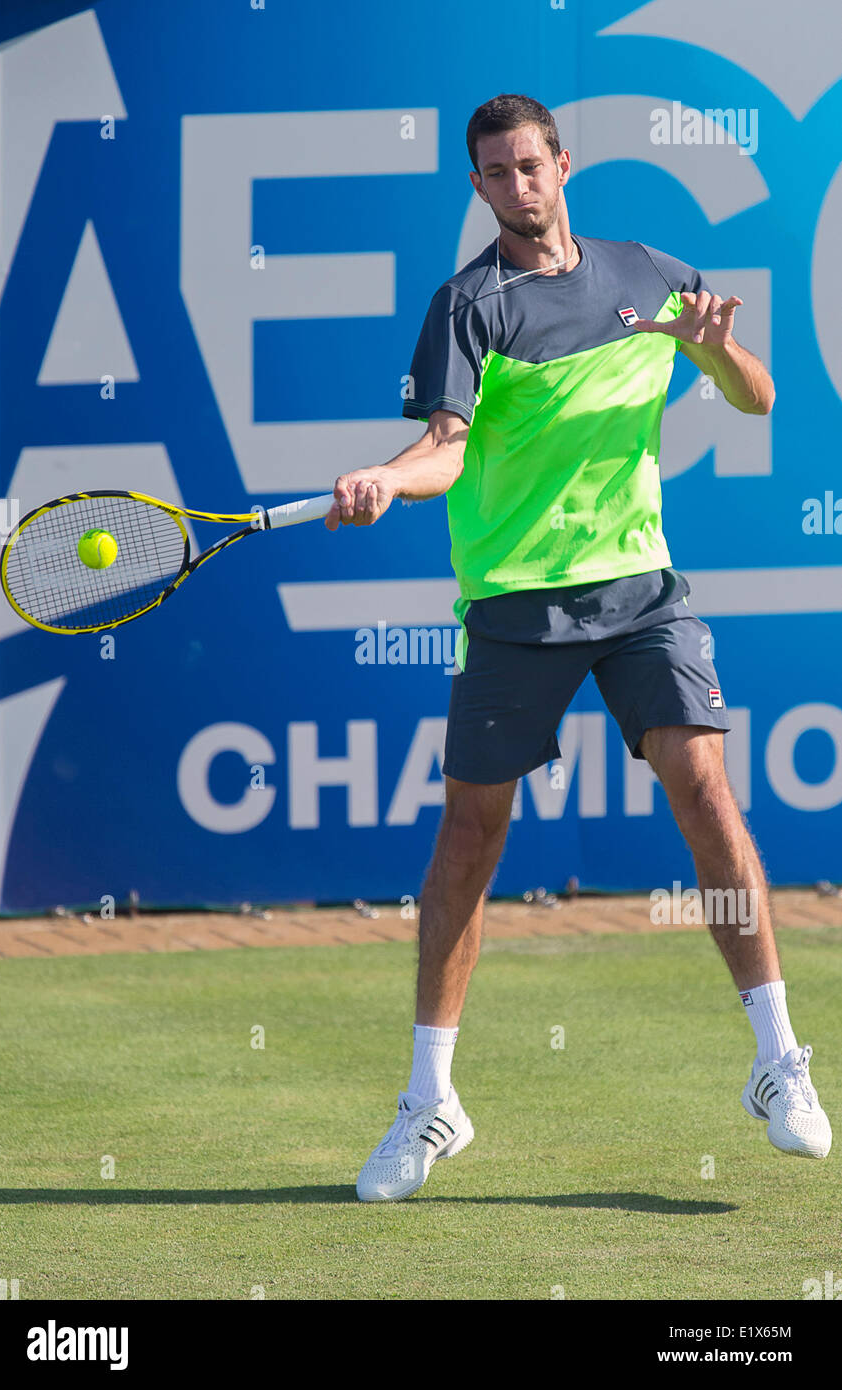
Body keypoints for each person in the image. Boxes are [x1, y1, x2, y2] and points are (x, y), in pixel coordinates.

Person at [324, 93, 831, 1201]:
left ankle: (777, 1059)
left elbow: (756, 399)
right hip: (514, 604)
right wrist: (384, 483)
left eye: (529, 165)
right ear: (478, 188)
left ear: (564, 164)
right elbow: (442, 451)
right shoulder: (468, 305)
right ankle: (430, 1102)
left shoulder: (649, 271)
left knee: (704, 786)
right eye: (494, 174)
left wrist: (718, 352)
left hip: (640, 591)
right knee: (470, 838)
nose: (517, 186)